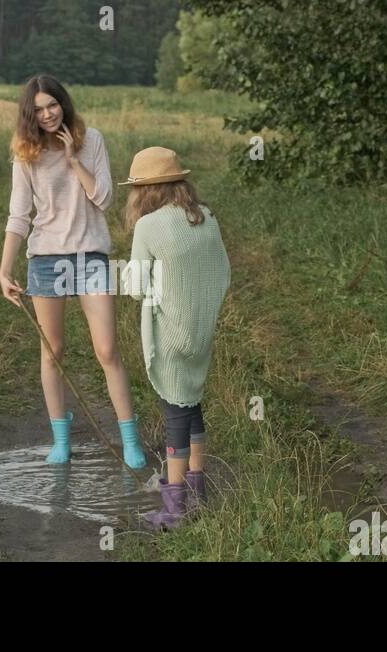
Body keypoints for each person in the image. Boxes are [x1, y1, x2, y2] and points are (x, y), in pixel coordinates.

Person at [0, 74, 147, 469]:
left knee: (107, 349)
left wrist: (72, 161)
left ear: (63, 103)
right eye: (39, 109)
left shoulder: (91, 138)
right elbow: (18, 216)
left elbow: (104, 198)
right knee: (53, 352)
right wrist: (4, 269)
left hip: (91, 257)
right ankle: (61, 439)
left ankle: (129, 439)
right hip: (46, 260)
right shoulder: (25, 153)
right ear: (29, 114)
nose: (48, 114)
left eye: (53, 105)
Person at [118, 146, 231, 529]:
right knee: (193, 406)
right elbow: (222, 272)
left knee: (175, 417)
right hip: (200, 331)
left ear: (145, 191)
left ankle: (175, 507)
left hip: (169, 334)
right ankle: (198, 494)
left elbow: (134, 287)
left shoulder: (149, 226)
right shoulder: (207, 218)